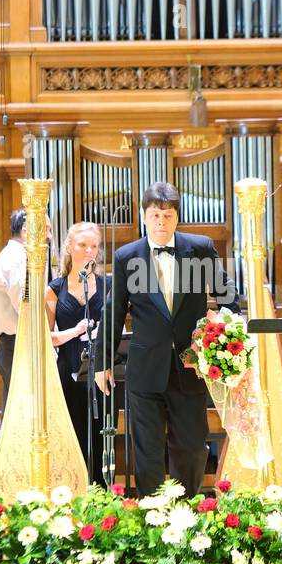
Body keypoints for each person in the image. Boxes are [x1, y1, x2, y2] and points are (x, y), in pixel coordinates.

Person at [94, 181, 238, 496]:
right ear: (144, 216)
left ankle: (186, 514)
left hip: (191, 367)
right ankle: (153, 519)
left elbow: (229, 299)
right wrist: (101, 361)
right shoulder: (126, 256)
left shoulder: (199, 248)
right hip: (145, 369)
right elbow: (113, 311)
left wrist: (220, 343)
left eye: (168, 215)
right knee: (147, 451)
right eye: (156, 215)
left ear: (176, 217)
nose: (161, 222)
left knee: (190, 447)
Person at [46, 222, 113, 486]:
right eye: (83, 245)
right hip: (68, 372)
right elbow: (45, 336)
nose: (89, 251)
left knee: (101, 437)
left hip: (101, 372)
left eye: (94, 246)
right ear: (69, 248)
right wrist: (74, 332)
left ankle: (103, 495)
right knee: (72, 435)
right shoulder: (54, 289)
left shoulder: (109, 286)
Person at [0, 209, 27, 416]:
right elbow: (23, 303)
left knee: (13, 414)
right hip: (15, 343)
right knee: (16, 416)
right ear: (26, 229)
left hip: (13, 343)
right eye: (45, 229)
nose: (48, 236)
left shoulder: (14, 254)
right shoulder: (16, 257)